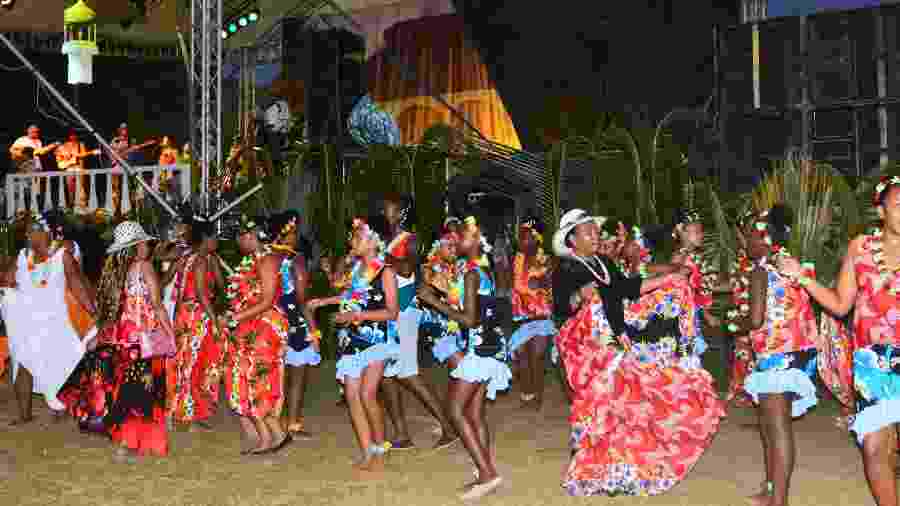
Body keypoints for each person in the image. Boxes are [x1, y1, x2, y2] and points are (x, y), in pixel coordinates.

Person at [551, 209, 724, 496]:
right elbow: (560, 309)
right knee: (599, 405)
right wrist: (577, 297)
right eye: (588, 232)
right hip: (585, 348)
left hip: (613, 341)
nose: (595, 236)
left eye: (595, 230)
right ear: (572, 239)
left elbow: (627, 289)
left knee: (621, 403)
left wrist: (666, 281)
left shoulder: (604, 262)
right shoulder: (566, 269)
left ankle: (619, 468)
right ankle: (593, 464)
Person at [782, 175, 900, 506]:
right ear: (881, 211)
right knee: (876, 447)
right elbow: (839, 304)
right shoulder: (861, 248)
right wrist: (801, 277)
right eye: (898, 205)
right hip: (874, 365)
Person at [60, 221, 175, 459]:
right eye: (144, 242)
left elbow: (110, 311)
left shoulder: (114, 272)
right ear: (136, 246)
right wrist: (170, 334)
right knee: (143, 393)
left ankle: (124, 442)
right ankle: (133, 443)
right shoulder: (144, 267)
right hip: (143, 340)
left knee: (126, 391)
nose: (147, 246)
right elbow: (157, 305)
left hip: (122, 339)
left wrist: (101, 335)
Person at [417, 216, 511, 500]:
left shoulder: (472, 274)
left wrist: (434, 302)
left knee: (455, 410)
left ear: (478, 237)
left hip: (481, 348)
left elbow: (469, 319)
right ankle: (483, 466)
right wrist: (443, 291)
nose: (455, 240)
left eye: (461, 236)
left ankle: (487, 474)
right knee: (473, 411)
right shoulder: (479, 270)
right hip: (491, 345)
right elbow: (476, 306)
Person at [734, 206, 819, 506]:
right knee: (772, 425)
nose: (745, 243)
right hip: (797, 353)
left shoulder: (761, 271)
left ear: (764, 237)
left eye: (748, 237)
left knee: (776, 428)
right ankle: (771, 490)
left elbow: (755, 320)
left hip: (776, 356)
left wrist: (733, 324)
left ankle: (778, 499)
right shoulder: (798, 265)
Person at [306, 218, 399, 476]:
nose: (352, 241)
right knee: (351, 396)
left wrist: (356, 317)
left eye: (357, 237)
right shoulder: (357, 269)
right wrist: (325, 301)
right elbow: (352, 296)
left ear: (373, 242)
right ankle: (367, 449)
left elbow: (392, 312)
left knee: (368, 394)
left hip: (376, 340)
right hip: (352, 339)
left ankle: (381, 449)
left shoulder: (386, 271)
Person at [378, 194, 457, 451]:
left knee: (408, 373)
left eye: (389, 206)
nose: (384, 209)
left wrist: (377, 258)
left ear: (401, 212)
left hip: (405, 311)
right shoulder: (386, 241)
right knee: (387, 374)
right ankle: (401, 433)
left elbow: (406, 270)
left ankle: (448, 426)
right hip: (389, 310)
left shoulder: (411, 240)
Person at [3, 212, 95, 426]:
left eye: (32, 231)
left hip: (56, 320)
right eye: (27, 232)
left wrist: (91, 312)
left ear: (44, 233)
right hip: (26, 321)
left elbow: (76, 284)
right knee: (23, 363)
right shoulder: (22, 256)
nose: (28, 235)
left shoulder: (62, 254)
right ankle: (25, 415)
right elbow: (7, 281)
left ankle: (62, 405)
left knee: (62, 363)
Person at [221, 216, 291, 455]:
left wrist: (235, 318)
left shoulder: (268, 260)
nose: (238, 242)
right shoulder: (249, 261)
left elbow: (268, 300)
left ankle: (271, 436)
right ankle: (274, 435)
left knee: (257, 380)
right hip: (246, 327)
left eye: (240, 236)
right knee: (242, 378)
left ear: (251, 236)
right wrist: (233, 316)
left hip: (263, 329)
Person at [169, 217, 223, 430]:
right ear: (206, 239)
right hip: (196, 315)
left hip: (187, 314)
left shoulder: (196, 258)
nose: (217, 241)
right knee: (192, 363)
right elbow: (202, 294)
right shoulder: (199, 260)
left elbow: (220, 285)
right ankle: (185, 413)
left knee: (193, 362)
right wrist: (214, 319)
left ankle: (191, 410)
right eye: (215, 237)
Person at [270, 211, 319, 440]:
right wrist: (314, 331)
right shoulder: (295, 260)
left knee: (276, 376)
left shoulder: (267, 257)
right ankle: (293, 424)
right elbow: (303, 300)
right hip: (293, 322)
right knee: (297, 376)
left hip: (271, 320)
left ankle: (274, 421)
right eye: (294, 231)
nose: (297, 235)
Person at [508, 217, 555, 410]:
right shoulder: (517, 259)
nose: (522, 241)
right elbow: (517, 286)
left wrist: (543, 281)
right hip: (521, 315)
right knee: (521, 356)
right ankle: (527, 393)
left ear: (537, 239)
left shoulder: (547, 260)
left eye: (526, 237)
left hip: (541, 314)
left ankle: (538, 396)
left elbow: (551, 284)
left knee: (536, 357)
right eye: (521, 237)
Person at [9, 125, 59, 209]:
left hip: (37, 168)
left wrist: (53, 146)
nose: (36, 133)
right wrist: (23, 156)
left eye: (37, 132)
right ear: (28, 131)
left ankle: (34, 210)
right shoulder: (22, 139)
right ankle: (23, 210)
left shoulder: (38, 141)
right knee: (26, 190)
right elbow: (11, 150)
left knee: (36, 191)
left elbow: (39, 152)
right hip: (25, 168)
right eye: (34, 132)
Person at [55, 130, 98, 207]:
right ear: (68, 136)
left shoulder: (80, 144)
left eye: (74, 135)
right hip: (68, 167)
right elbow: (58, 155)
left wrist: (91, 152)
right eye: (71, 135)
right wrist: (62, 157)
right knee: (70, 188)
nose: (73, 137)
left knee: (81, 187)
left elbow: (82, 154)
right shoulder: (64, 145)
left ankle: (82, 205)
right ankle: (71, 204)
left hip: (78, 167)